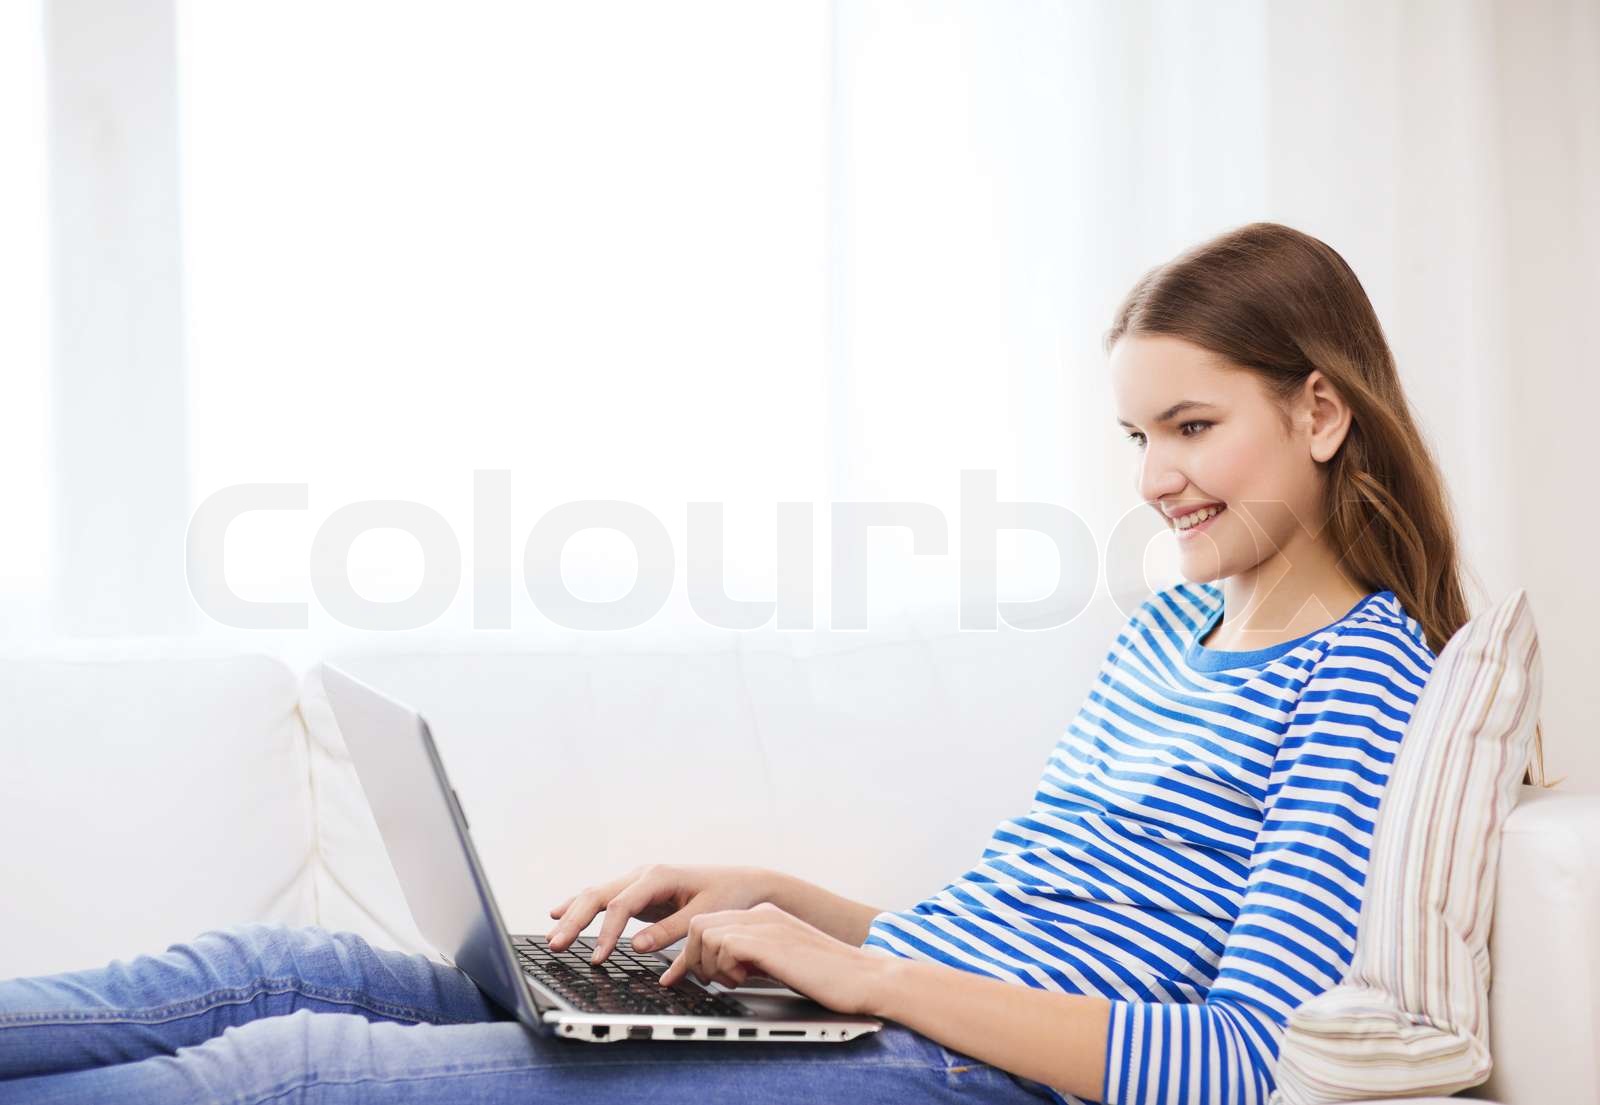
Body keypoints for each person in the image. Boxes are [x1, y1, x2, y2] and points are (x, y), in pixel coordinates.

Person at [0, 222, 1497, 1105]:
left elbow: (1240, 1063)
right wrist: (771, 898)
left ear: (1319, 409)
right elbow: (1033, 910)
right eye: (1136, 436)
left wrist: (857, 973)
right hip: (890, 1009)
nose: (1155, 476)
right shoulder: (1170, 627)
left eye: (1192, 425)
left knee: (307, 1068)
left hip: (950, 1075)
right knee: (281, 965)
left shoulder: (1365, 679)